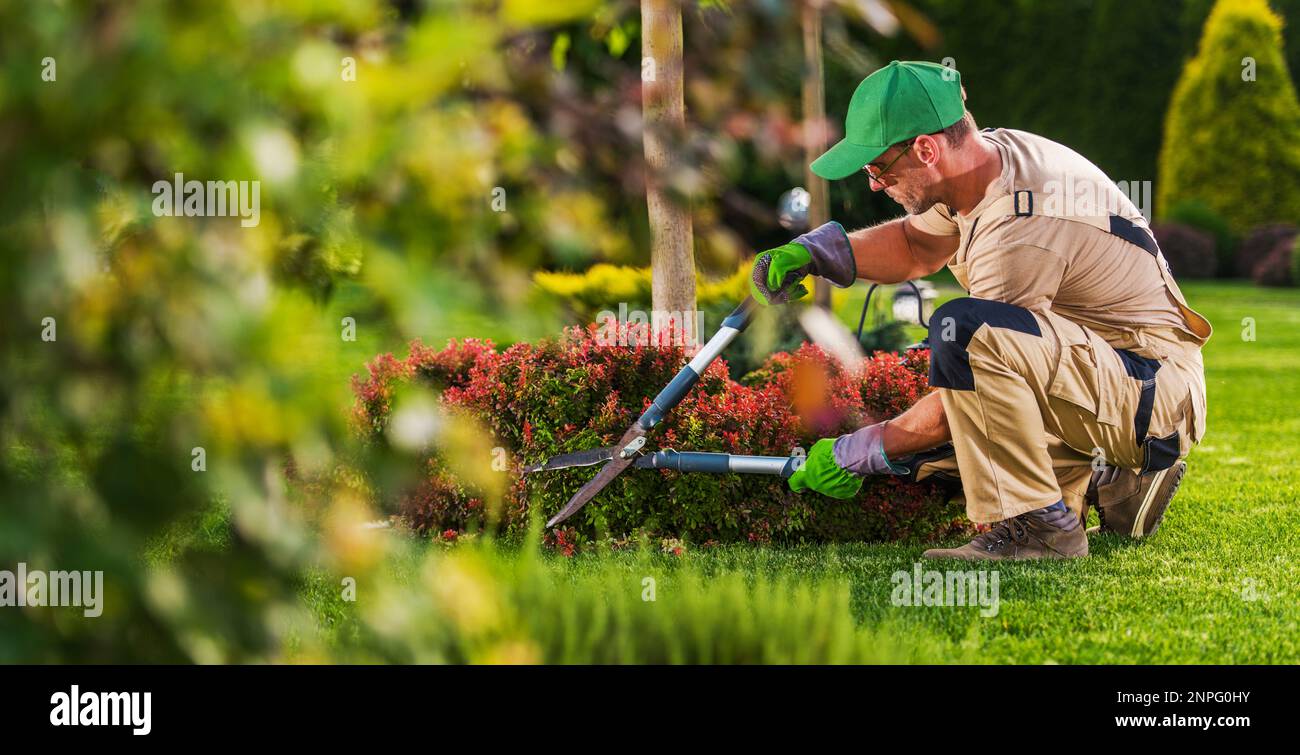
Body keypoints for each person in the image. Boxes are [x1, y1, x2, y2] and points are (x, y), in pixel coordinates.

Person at [752, 61, 1211, 560]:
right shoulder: (982, 164)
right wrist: (819, 253)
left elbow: (971, 378)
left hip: (1151, 394)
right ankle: (1110, 479)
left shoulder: (1021, 224)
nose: (874, 186)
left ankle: (1044, 529)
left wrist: (858, 451)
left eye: (877, 168)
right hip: (1116, 371)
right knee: (951, 432)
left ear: (926, 148)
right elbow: (915, 246)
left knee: (960, 338)